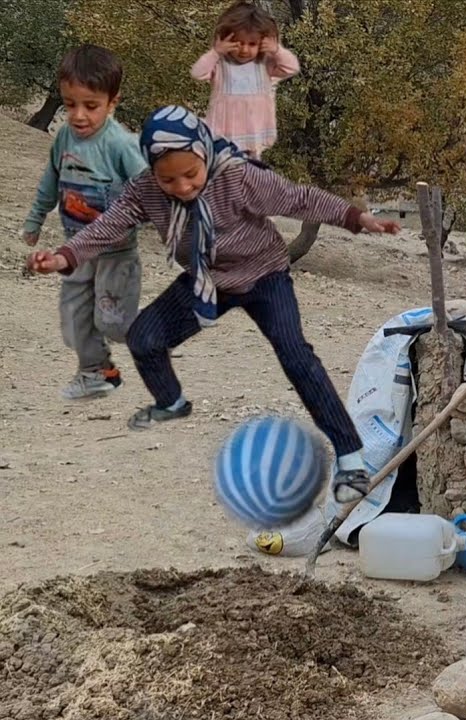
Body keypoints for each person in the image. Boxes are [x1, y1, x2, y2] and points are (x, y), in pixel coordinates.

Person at [26, 105, 399, 503]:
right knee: (144, 338)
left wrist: (357, 218)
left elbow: (299, 200)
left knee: (296, 356)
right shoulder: (146, 190)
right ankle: (171, 401)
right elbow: (108, 227)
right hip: (208, 281)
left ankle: (350, 459)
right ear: (152, 170)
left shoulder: (237, 177)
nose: (183, 187)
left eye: (191, 174)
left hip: (265, 275)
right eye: (168, 179)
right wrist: (63, 257)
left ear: (204, 154)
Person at [22, 44, 149, 400]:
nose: (78, 116)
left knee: (112, 323)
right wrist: (35, 219)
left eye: (90, 106)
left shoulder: (121, 145)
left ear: (112, 102)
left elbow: (149, 190)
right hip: (76, 250)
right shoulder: (64, 137)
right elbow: (51, 179)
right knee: (74, 319)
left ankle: (155, 328)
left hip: (116, 254)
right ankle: (98, 372)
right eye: (69, 104)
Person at [191, 2, 299, 159]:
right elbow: (198, 73)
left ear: (262, 44)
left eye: (252, 44)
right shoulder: (220, 66)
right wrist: (215, 53)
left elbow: (291, 68)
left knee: (251, 170)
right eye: (239, 43)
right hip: (223, 137)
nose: (244, 49)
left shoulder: (264, 66)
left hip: (253, 137)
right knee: (224, 169)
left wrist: (277, 50)